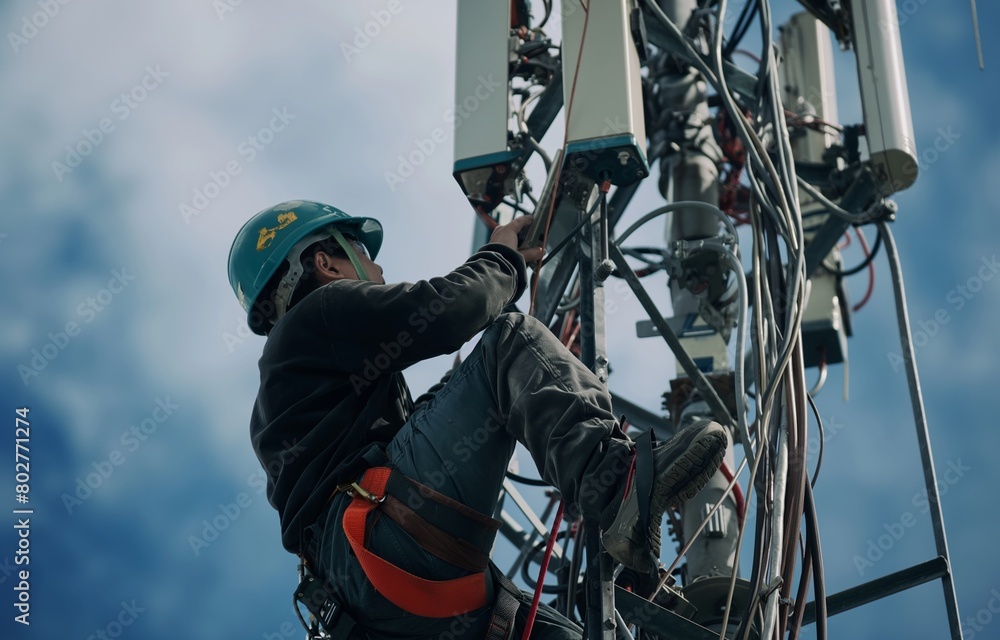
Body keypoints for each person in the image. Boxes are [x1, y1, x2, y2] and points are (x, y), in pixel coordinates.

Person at [228, 200, 727, 640]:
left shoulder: (295, 383)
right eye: (362, 252)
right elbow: (448, 311)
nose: (377, 267)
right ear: (325, 261)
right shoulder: (319, 312)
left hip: (380, 604)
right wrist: (503, 257)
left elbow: (411, 432)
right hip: (382, 540)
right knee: (508, 342)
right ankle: (613, 481)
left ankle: (626, 517)